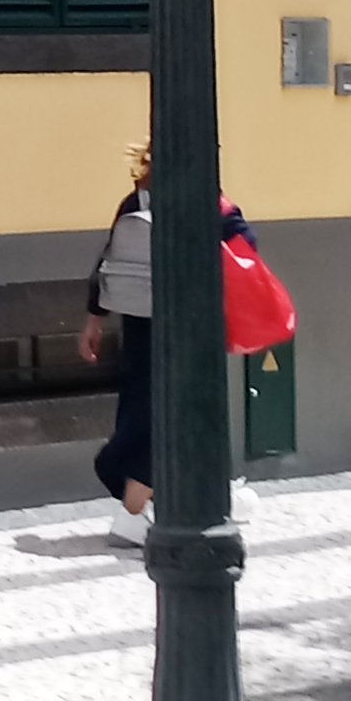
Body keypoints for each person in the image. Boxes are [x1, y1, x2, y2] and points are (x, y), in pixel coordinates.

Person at [79, 141, 259, 547]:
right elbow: (247, 245)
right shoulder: (208, 202)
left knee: (145, 412)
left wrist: (94, 318)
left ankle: (169, 503)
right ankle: (138, 511)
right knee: (168, 415)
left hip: (140, 325)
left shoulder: (135, 200)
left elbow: (108, 262)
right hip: (187, 328)